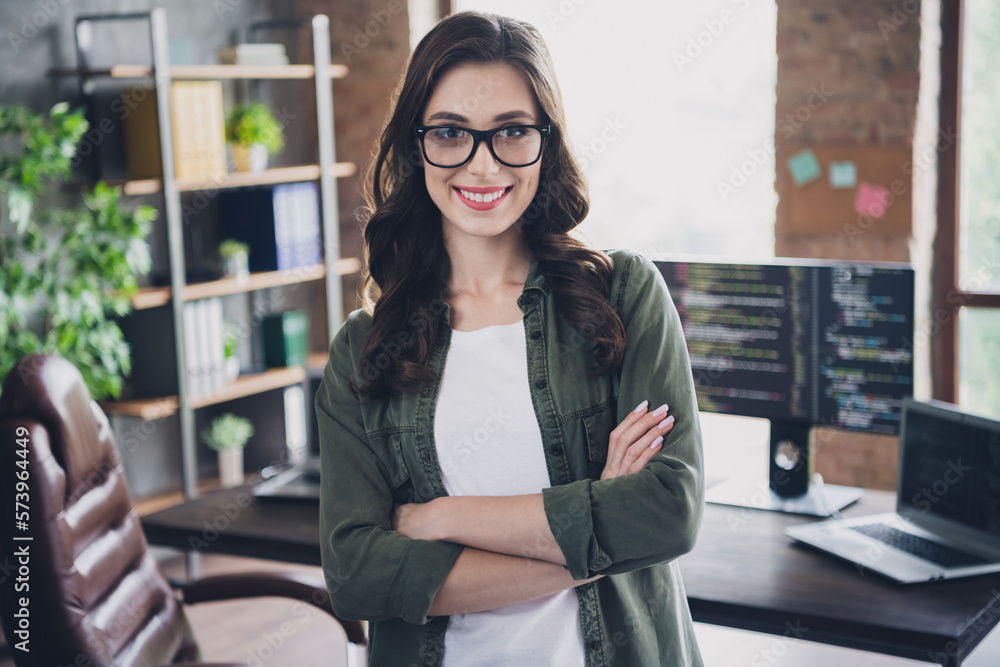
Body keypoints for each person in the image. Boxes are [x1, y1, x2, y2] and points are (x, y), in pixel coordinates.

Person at [316, 10, 705, 666]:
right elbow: (357, 575)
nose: (482, 164)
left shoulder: (623, 296)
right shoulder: (363, 352)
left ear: (546, 142)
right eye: (450, 132)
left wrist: (441, 518)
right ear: (416, 144)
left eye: (512, 132)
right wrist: (596, 536)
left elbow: (667, 513)